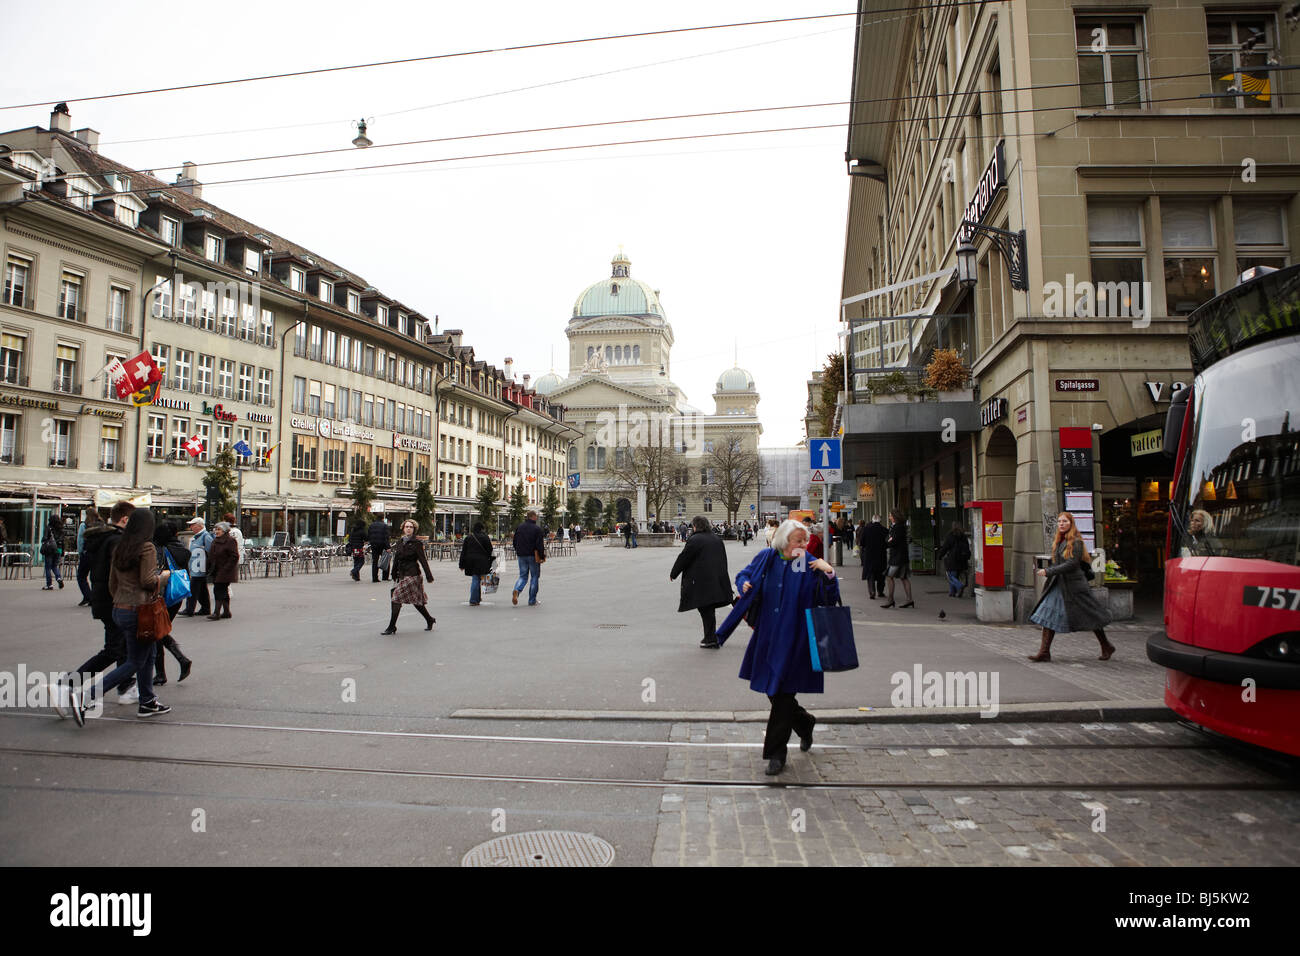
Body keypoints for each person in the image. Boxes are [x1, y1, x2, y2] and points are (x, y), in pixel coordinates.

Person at [716, 518, 839, 775]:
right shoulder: (767, 558)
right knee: (774, 692)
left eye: (805, 540)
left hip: (797, 640)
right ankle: (805, 723)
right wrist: (743, 584)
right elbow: (744, 575)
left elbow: (827, 598)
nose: (805, 544)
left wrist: (829, 574)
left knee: (782, 696)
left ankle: (776, 753)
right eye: (799, 540)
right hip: (768, 637)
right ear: (784, 541)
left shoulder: (810, 564)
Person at [68, 508, 173, 725]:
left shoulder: (121, 546)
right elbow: (147, 581)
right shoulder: (146, 547)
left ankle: (147, 701)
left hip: (120, 608)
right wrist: (164, 577)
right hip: (139, 609)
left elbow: (112, 583)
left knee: (149, 654)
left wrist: (121, 601)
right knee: (134, 661)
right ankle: (88, 695)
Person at [62, 500, 138, 707]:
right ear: (125, 519)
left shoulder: (100, 538)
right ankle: (70, 683)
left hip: (103, 598)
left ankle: (126, 687)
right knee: (114, 648)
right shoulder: (117, 541)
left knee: (122, 646)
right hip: (115, 600)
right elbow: (121, 573)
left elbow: (88, 570)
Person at [1028, 512, 1115, 663]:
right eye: (1059, 521)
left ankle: (1106, 645)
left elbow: (1071, 564)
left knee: (1091, 616)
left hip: (1075, 586)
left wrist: (1048, 571)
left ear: (1071, 523)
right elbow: (1059, 563)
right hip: (1059, 585)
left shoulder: (1076, 542)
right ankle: (1044, 652)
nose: (1061, 524)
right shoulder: (1059, 541)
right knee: (1048, 614)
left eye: (1065, 521)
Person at [670, 516, 733, 649]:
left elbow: (684, 557)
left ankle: (711, 638)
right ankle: (711, 637)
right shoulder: (716, 538)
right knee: (707, 608)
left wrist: (673, 573)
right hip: (716, 577)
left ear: (696, 526)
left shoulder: (695, 539)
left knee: (706, 608)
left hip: (702, 580)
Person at [151, 521, 193, 685]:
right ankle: (177, 663)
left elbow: (156, 572)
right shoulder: (181, 549)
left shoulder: (159, 549)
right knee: (159, 631)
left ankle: (166, 670)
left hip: (162, 595)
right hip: (177, 595)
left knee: (157, 631)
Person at [383, 519, 435, 633]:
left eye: (411, 527)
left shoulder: (417, 543)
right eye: (406, 526)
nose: (408, 528)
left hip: (412, 575)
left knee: (396, 597)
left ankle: (392, 626)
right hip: (401, 574)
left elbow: (423, 560)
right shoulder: (400, 542)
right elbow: (396, 558)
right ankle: (429, 619)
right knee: (416, 601)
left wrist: (429, 576)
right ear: (403, 528)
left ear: (414, 529)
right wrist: (393, 572)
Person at [511, 510, 546, 606]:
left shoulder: (520, 527)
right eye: (536, 516)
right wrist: (542, 556)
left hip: (521, 555)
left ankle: (517, 590)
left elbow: (515, 541)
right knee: (534, 577)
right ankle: (532, 600)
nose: (537, 518)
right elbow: (539, 545)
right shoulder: (537, 529)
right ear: (533, 517)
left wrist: (518, 550)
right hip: (533, 555)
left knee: (523, 576)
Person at [180, 517, 213, 617]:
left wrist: (208, 566)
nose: (191, 527)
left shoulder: (205, 536)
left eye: (193, 525)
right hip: (197, 567)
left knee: (193, 589)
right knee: (202, 589)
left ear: (199, 525)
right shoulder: (198, 536)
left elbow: (210, 551)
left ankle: (190, 609)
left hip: (199, 568)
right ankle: (205, 608)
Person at [881, 510, 914, 608]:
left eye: (890, 515)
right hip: (902, 556)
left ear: (895, 516)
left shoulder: (897, 527)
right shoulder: (900, 526)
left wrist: (888, 540)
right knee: (904, 577)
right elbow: (889, 538)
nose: (889, 517)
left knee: (889, 576)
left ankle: (890, 600)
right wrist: (889, 539)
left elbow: (891, 540)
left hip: (897, 557)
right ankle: (909, 599)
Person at [207, 521, 239, 620]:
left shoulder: (230, 540)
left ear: (224, 531)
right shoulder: (215, 540)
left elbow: (234, 556)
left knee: (218, 590)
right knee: (223, 590)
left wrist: (226, 568)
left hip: (225, 570)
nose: (216, 531)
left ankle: (216, 612)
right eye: (216, 529)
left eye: (219, 529)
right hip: (216, 569)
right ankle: (226, 611)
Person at [459, 521, 494, 606]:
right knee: (478, 579)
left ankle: (476, 598)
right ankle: (474, 600)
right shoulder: (485, 537)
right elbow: (490, 550)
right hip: (482, 561)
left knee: (476, 578)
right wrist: (493, 561)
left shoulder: (468, 537)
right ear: (482, 529)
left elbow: (463, 552)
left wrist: (461, 564)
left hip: (470, 561)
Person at [936, 522, 971, 598]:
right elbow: (967, 548)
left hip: (953, 560)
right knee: (955, 576)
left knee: (951, 576)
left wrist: (939, 556)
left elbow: (945, 548)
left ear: (952, 527)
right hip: (962, 560)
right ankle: (952, 592)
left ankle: (959, 586)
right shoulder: (964, 536)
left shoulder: (950, 536)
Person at [857, 514, 888, 599]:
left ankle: (872, 592)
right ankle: (880, 591)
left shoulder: (866, 529)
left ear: (872, 520)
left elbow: (862, 542)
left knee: (870, 574)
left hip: (869, 555)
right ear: (880, 520)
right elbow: (888, 543)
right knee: (881, 574)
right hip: (881, 555)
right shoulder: (884, 530)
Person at [75, 509, 103, 606]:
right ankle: (95, 597)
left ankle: (88, 596)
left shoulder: (84, 525)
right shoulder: (101, 525)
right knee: (95, 577)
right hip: (98, 555)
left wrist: (80, 553)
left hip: (87, 553)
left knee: (81, 576)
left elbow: (80, 541)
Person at [40, 511, 64, 590]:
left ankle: (49, 584)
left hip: (50, 549)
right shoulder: (61, 528)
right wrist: (62, 551)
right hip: (59, 549)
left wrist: (44, 541)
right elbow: (63, 540)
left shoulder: (49, 527)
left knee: (48, 567)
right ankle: (59, 578)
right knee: (55, 566)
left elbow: (45, 538)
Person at [368, 515, 391, 582]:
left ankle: (374, 578)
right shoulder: (384, 526)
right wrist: (388, 547)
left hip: (374, 545)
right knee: (386, 560)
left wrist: (371, 543)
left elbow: (369, 535)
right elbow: (386, 537)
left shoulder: (371, 526)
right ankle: (385, 576)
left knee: (375, 561)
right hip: (383, 545)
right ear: (382, 519)